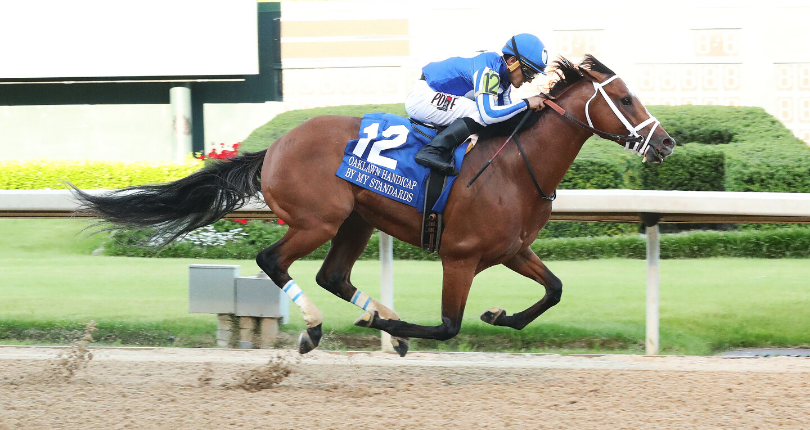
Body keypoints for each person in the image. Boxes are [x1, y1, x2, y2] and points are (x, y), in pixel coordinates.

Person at [406, 33, 549, 176]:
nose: (530, 80)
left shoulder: (503, 79)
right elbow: (488, 115)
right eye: (529, 72)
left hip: (435, 96)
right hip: (423, 96)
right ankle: (431, 151)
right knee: (479, 112)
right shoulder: (489, 71)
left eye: (534, 75)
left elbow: (507, 117)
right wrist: (526, 102)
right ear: (512, 61)